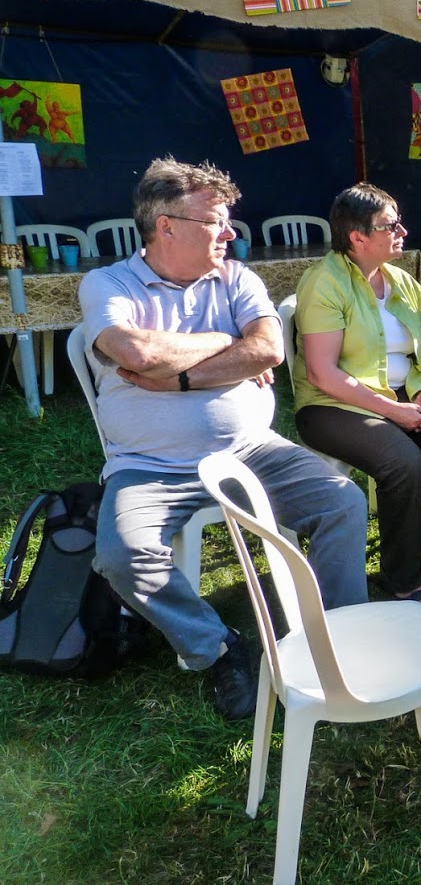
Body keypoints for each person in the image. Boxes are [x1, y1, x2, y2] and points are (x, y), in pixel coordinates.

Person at [77, 157, 369, 721]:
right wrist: (224, 342)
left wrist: (181, 374)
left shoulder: (238, 276)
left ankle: (336, 636)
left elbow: (268, 350)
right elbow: (137, 355)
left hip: (250, 450)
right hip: (151, 465)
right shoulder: (107, 283)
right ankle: (217, 647)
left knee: (342, 501)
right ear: (166, 225)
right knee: (122, 556)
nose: (230, 233)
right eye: (215, 221)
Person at [293, 184, 421, 609]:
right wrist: (392, 411)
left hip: (403, 394)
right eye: (389, 224)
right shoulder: (325, 282)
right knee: (405, 463)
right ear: (357, 237)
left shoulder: (403, 281)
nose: (402, 230)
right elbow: (321, 373)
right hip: (332, 404)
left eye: (398, 221)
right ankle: (399, 577)